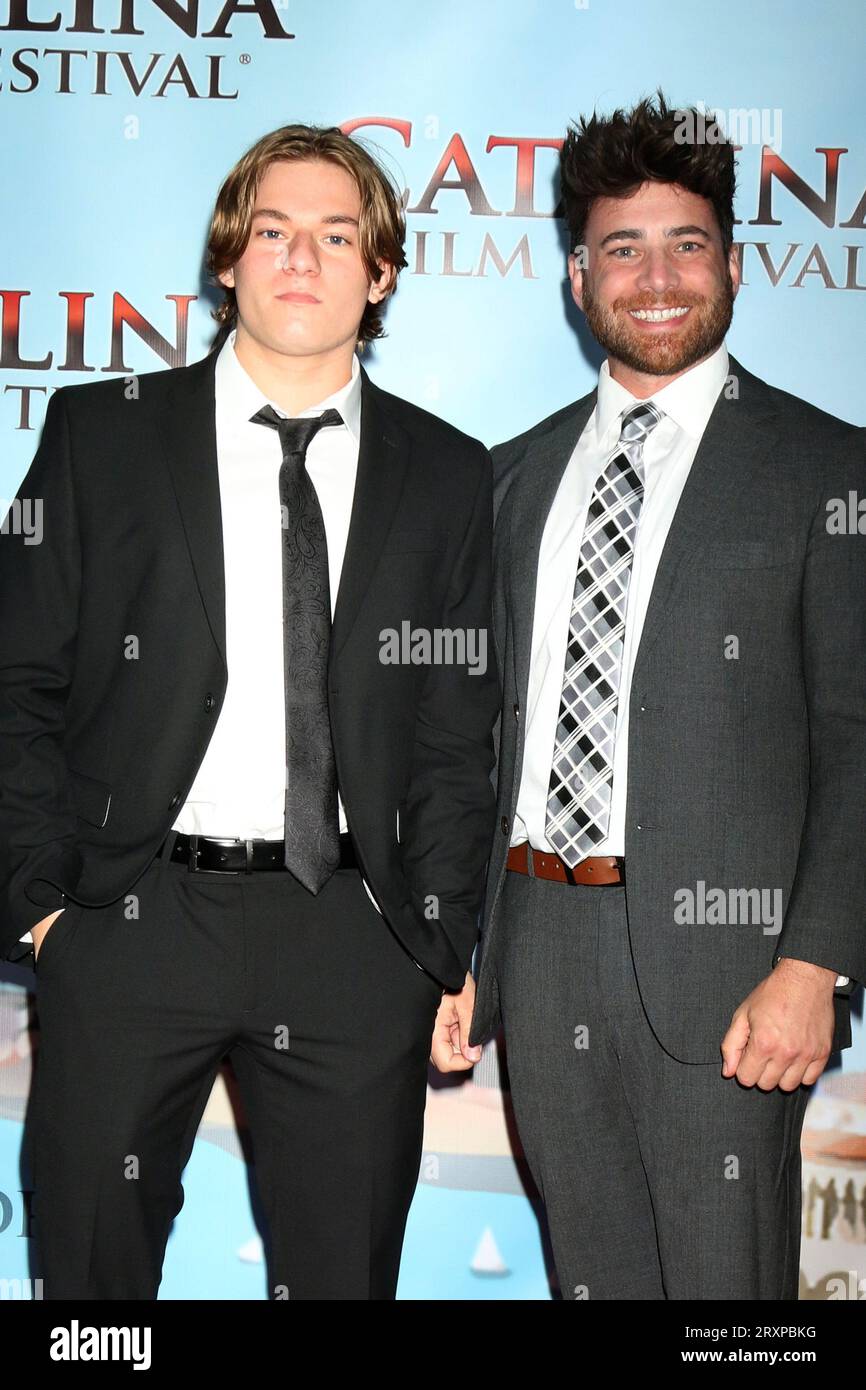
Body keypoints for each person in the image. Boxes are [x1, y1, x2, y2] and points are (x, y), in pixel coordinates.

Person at [0, 123, 499, 1300]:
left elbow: (453, 728)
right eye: (272, 230)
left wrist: (433, 939)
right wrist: (41, 911)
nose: (300, 257)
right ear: (228, 256)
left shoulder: (444, 472)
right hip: (128, 915)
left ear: (380, 275)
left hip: (349, 938)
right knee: (88, 1287)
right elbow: (17, 679)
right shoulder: (101, 431)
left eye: (337, 236)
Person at [466, 92, 865, 1299]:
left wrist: (816, 963)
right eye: (619, 249)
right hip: (539, 955)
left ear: (732, 267)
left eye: (684, 245)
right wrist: (465, 955)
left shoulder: (825, 469)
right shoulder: (510, 476)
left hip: (735, 975)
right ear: (575, 281)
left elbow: (857, 733)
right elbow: (482, 739)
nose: (653, 278)